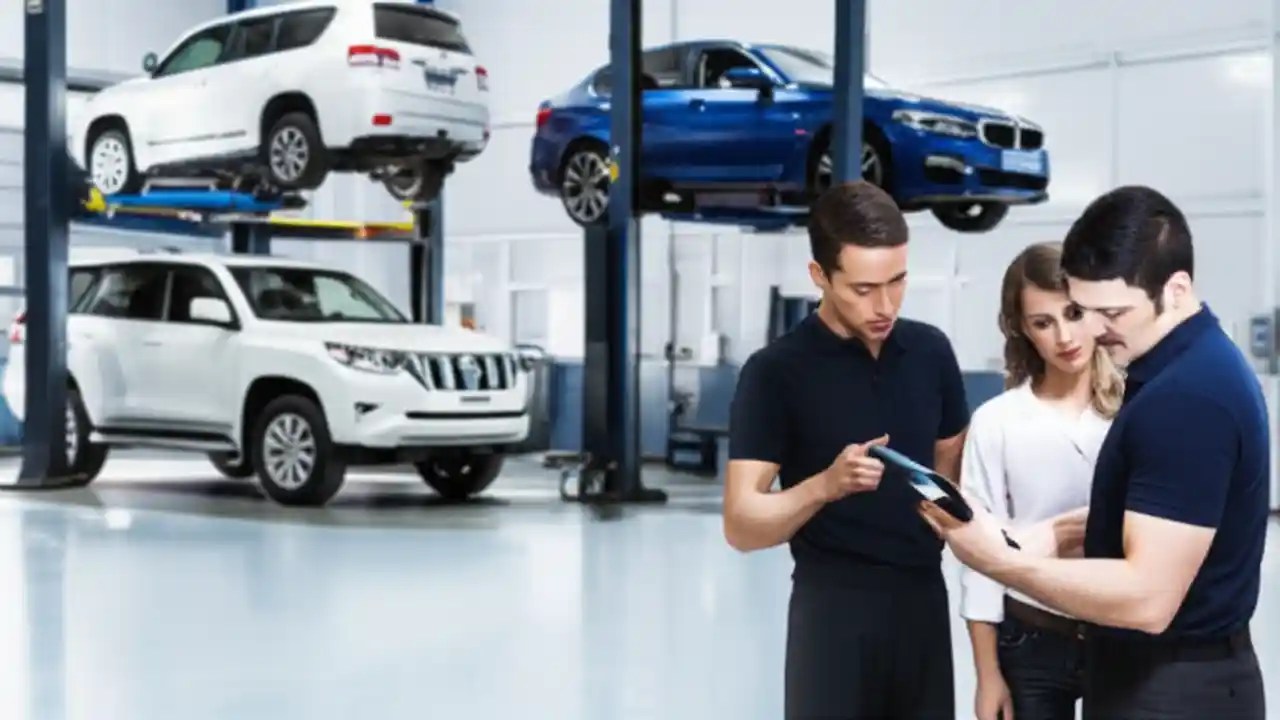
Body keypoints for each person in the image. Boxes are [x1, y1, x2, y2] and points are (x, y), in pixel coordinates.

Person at [921, 185, 1269, 720]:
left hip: (1172, 691)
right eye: (1085, 310)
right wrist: (1062, 532)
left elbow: (1147, 599)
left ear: (1176, 289)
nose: (1094, 331)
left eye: (1112, 312)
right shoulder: (1184, 370)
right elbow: (1176, 515)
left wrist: (997, 560)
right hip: (1163, 677)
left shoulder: (1186, 398)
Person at [722, 179, 970, 719]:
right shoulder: (775, 373)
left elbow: (951, 448)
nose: (885, 305)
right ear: (819, 275)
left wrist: (944, 513)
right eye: (863, 289)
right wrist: (824, 487)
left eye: (898, 281)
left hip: (923, 601)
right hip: (832, 610)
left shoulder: (930, 352)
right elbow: (741, 525)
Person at [959, 241, 1124, 720]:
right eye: (1043, 322)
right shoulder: (996, 421)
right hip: (1030, 639)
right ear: (1022, 329)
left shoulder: (1135, 411)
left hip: (1122, 636)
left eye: (1073, 314)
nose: (1064, 337)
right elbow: (980, 556)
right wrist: (987, 675)